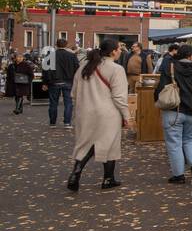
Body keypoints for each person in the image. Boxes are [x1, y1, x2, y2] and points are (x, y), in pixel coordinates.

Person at [66, 39, 130, 190]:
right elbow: (119, 97)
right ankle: (108, 178)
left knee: (86, 143)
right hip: (108, 113)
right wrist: (127, 116)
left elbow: (73, 93)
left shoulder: (83, 67)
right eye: (119, 48)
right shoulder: (116, 69)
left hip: (85, 112)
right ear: (113, 51)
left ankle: (77, 172)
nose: (121, 51)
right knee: (109, 144)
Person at [156, 44, 192, 182]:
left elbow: (160, 88)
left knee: (174, 143)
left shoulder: (170, 67)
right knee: (190, 139)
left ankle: (178, 175)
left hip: (174, 110)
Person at [48, 38, 78, 127]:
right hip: (68, 81)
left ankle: (52, 123)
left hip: (54, 82)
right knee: (68, 103)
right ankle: (67, 122)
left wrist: (46, 82)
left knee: (53, 103)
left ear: (56, 45)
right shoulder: (72, 56)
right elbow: (77, 68)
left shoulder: (50, 56)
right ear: (66, 45)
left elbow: (47, 70)